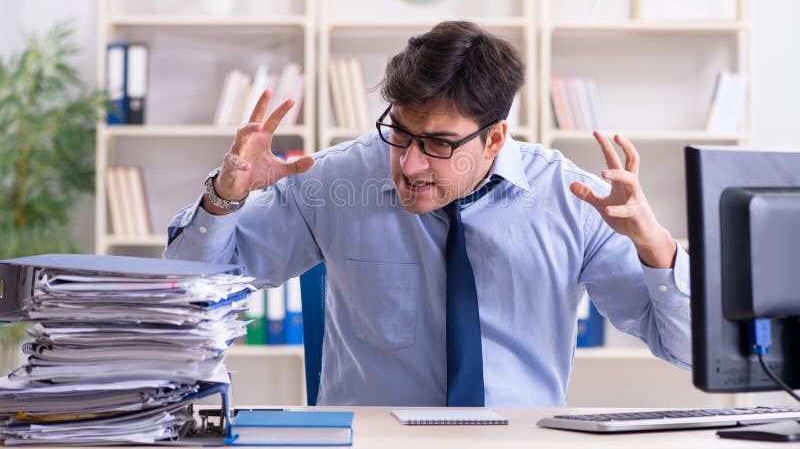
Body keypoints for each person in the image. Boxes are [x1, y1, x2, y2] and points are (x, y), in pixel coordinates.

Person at [165, 20, 691, 407]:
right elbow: (188, 297)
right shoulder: (332, 182)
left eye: (438, 143)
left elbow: (686, 349)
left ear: (495, 139)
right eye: (400, 134)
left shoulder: (572, 200)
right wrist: (224, 198)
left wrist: (655, 247)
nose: (410, 164)